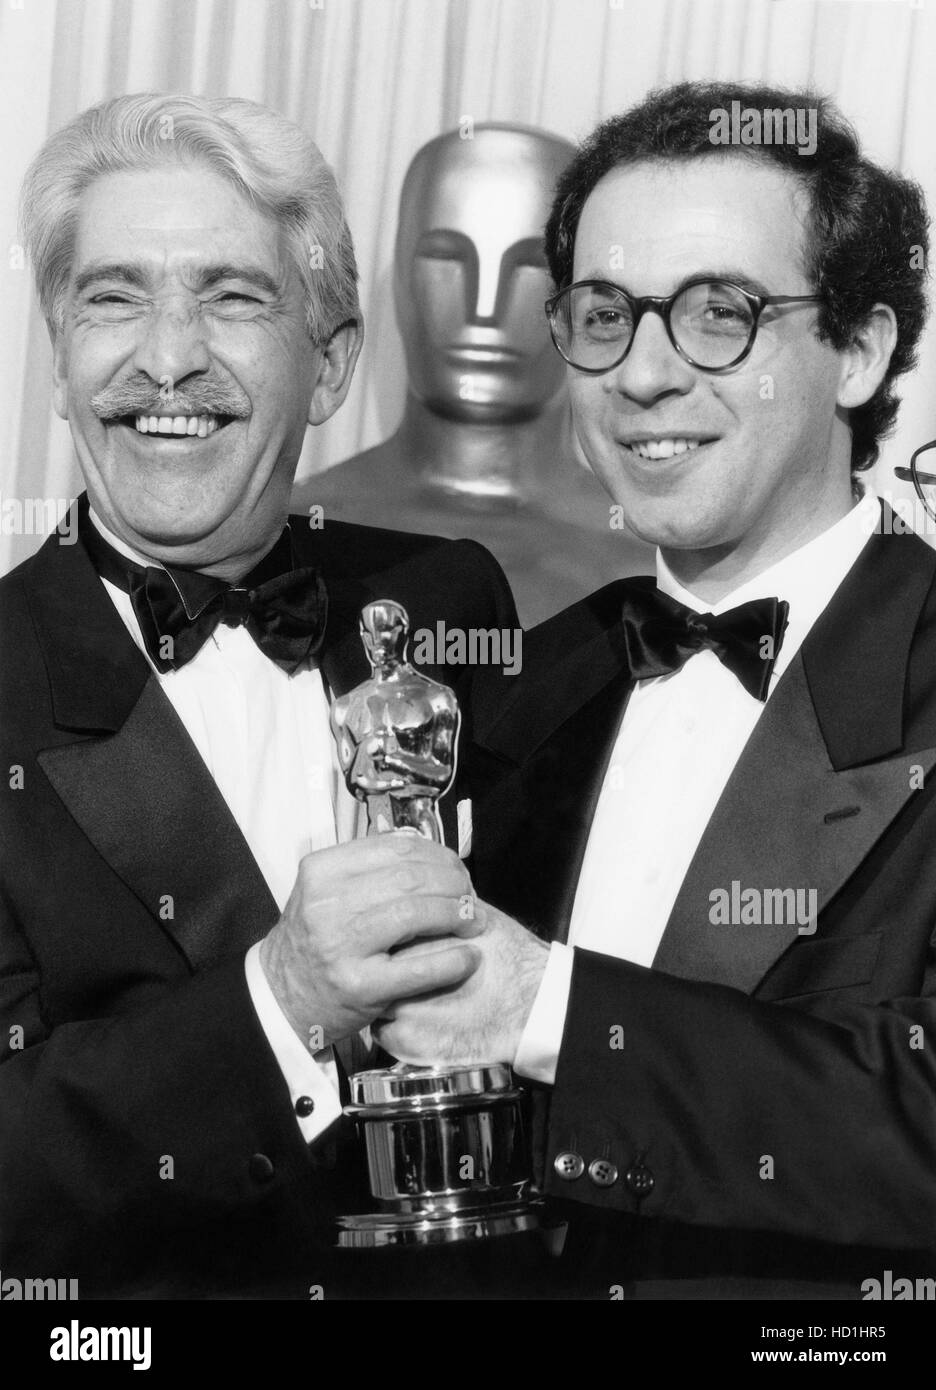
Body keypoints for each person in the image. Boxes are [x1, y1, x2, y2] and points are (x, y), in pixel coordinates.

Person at [370, 81, 936, 1300]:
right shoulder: (544, 671)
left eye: (719, 314)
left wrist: (551, 1011)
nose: (643, 374)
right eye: (607, 314)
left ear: (860, 350)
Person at [0, 93, 517, 1299]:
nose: (166, 357)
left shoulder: (447, 597)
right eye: (114, 297)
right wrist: (282, 998)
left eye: (232, 298)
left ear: (331, 363)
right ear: (59, 348)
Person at [295, 123, 652, 625]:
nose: (483, 309)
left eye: (530, 265)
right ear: (397, 276)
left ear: (585, 301)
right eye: (446, 257)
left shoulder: (655, 560)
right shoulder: (292, 531)